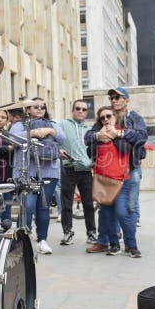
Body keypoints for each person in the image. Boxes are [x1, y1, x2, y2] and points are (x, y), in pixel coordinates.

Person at [85, 105, 144, 258]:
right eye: (102, 117)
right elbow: (87, 144)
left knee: (123, 213)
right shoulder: (97, 134)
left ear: (115, 118)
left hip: (121, 181)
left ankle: (132, 246)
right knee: (106, 214)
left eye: (108, 116)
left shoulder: (123, 133)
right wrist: (98, 137)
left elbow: (128, 147)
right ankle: (114, 245)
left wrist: (115, 134)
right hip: (103, 181)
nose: (105, 119)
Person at [10, 98, 65, 255]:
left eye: (43, 106)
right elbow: (12, 139)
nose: (40, 109)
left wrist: (50, 131)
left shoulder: (52, 124)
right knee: (27, 206)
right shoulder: (19, 125)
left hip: (49, 171)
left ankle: (42, 240)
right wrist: (32, 133)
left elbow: (62, 138)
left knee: (44, 206)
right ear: (27, 109)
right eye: (36, 106)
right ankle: (24, 239)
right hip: (26, 171)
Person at [106, 87, 148, 235]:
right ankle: (117, 233)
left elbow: (142, 136)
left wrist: (120, 133)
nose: (114, 100)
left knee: (131, 204)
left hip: (132, 167)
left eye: (117, 97)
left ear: (127, 100)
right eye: (112, 98)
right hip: (111, 169)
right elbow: (92, 136)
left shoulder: (133, 117)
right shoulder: (107, 117)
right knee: (113, 203)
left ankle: (130, 236)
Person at [58, 100, 95, 245]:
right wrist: (57, 150)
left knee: (88, 204)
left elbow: (95, 147)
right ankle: (67, 232)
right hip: (68, 168)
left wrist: (93, 161)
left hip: (86, 171)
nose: (81, 111)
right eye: (78, 108)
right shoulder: (62, 125)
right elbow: (54, 140)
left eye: (84, 109)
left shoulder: (90, 129)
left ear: (86, 112)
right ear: (72, 110)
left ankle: (91, 233)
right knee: (66, 204)